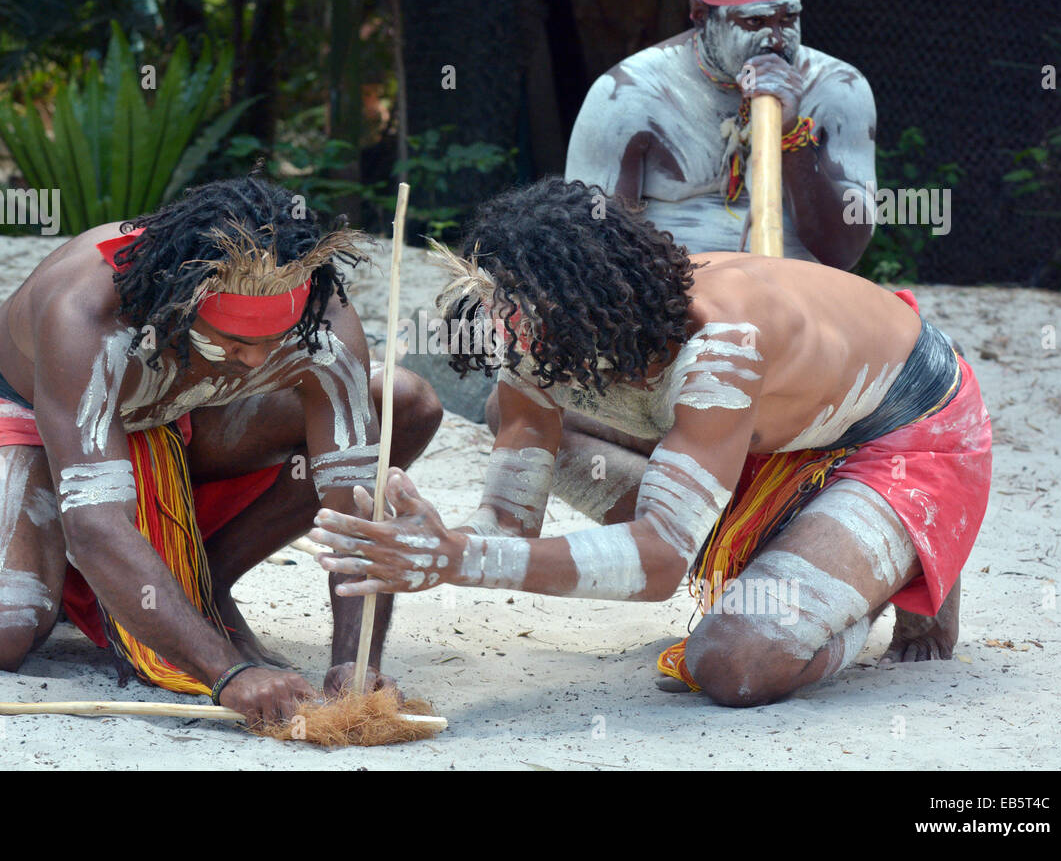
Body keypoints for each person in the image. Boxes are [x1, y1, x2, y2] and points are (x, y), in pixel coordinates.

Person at [307, 178, 991, 707]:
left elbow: (662, 559)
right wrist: (427, 541)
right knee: (505, 407)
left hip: (903, 431)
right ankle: (802, 550)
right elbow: (509, 524)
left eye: (532, 343)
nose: (515, 357)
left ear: (590, 317)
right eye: (504, 335)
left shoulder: (725, 340)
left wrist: (458, 559)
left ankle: (889, 565)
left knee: (733, 662)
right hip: (766, 438)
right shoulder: (531, 331)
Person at [0, 173, 442, 725]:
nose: (257, 361)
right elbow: (95, 524)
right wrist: (229, 675)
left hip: (185, 410)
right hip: (41, 412)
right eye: (237, 342)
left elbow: (355, 508)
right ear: (184, 301)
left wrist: (355, 664)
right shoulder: (88, 311)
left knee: (402, 402)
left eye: (274, 342)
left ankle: (206, 581)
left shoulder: (321, 317)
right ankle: (67, 565)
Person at [565, 0, 876, 268]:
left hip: (800, 306)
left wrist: (792, 137)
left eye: (788, 19)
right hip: (672, 303)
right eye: (754, 21)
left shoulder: (837, 88)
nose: (776, 40)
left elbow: (844, 254)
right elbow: (591, 253)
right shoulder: (628, 95)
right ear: (700, 14)